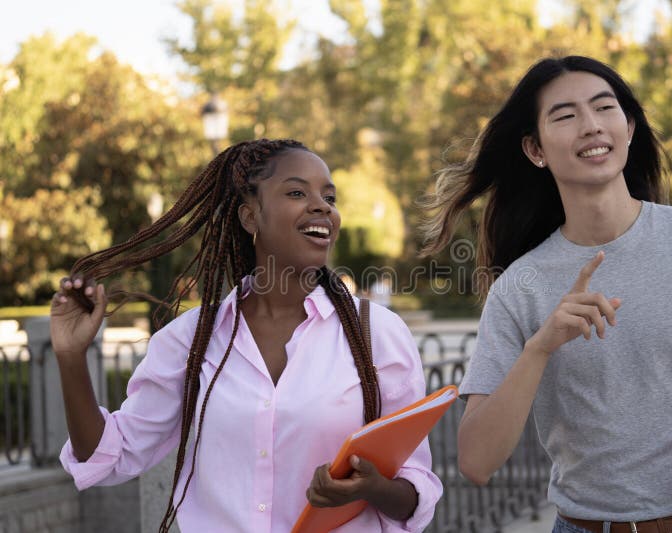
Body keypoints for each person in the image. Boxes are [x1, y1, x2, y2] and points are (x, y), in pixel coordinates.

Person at [420, 56, 672, 532]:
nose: (591, 126)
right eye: (565, 115)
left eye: (604, 108)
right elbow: (476, 461)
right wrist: (541, 345)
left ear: (629, 128)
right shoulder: (519, 286)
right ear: (535, 149)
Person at [51, 139, 442, 532]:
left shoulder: (377, 335)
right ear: (250, 217)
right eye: (296, 192)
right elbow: (108, 456)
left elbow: (415, 489)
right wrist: (70, 358)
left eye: (329, 196)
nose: (322, 206)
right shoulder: (190, 341)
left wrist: (371, 488)